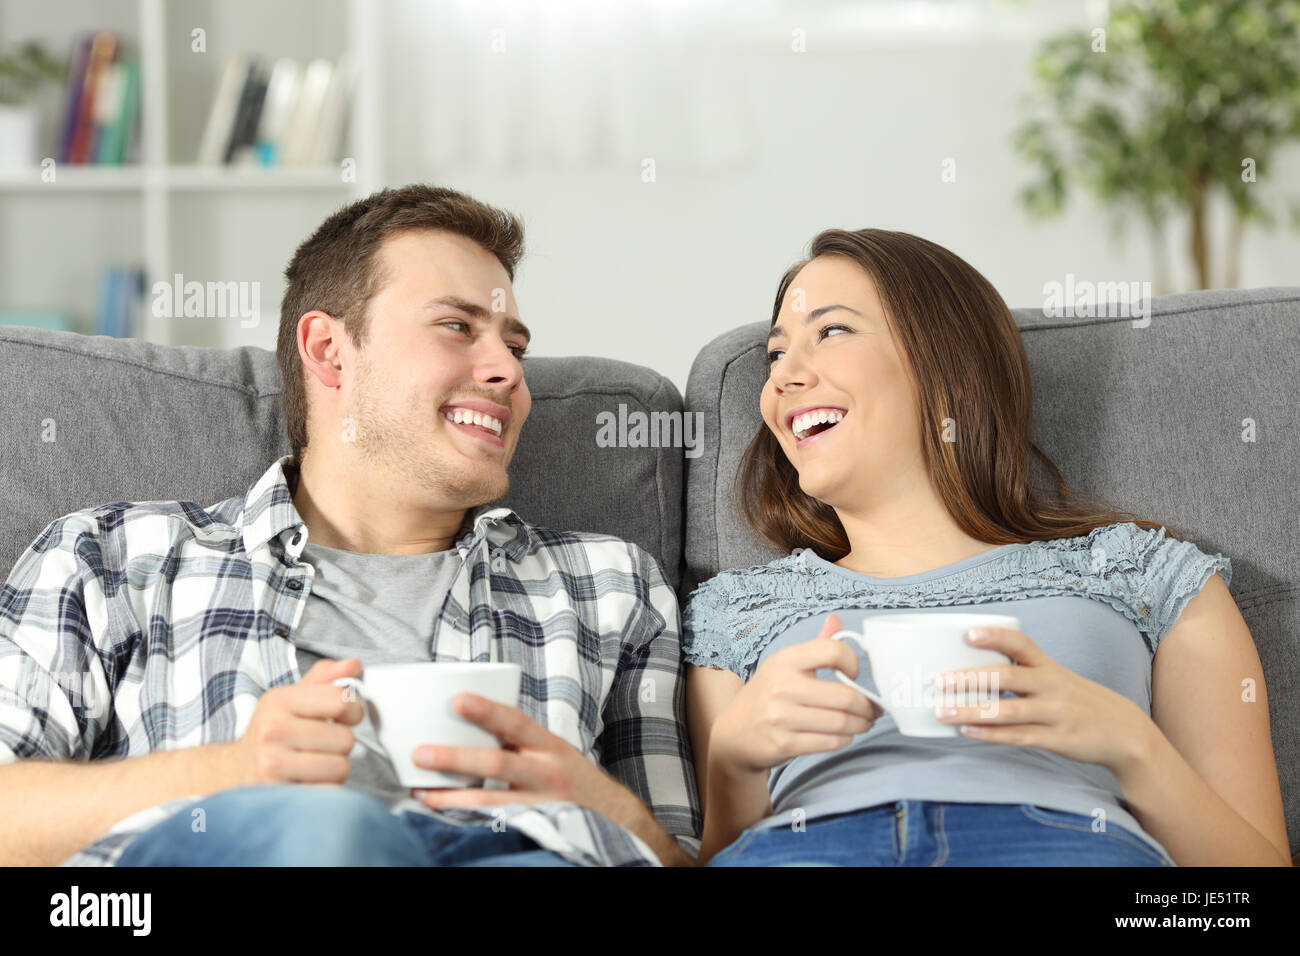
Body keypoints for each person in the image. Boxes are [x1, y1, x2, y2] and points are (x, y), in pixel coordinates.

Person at [0, 184, 700, 867]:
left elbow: (686, 858)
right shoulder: (115, 558)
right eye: (458, 327)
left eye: (513, 347)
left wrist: (599, 806)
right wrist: (230, 772)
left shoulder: (609, 585)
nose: (509, 373)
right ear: (330, 350)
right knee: (326, 830)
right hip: (285, 846)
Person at [682, 227, 1291, 867]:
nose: (784, 379)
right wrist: (734, 765)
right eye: (776, 355)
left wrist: (1131, 747)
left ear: (947, 361)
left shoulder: (1148, 576)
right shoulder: (734, 614)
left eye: (832, 332)